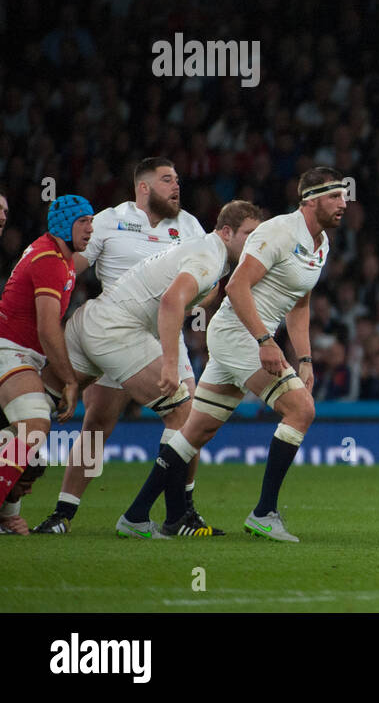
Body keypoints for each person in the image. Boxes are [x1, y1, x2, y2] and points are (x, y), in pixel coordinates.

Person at [117, 168, 347, 542]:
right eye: (335, 196)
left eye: (344, 196)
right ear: (310, 200)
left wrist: (304, 360)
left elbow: (299, 304)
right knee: (301, 410)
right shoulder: (279, 233)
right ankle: (264, 513)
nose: (344, 203)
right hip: (240, 335)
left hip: (243, 338)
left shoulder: (320, 245)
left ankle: (135, 515)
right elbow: (237, 285)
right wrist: (264, 341)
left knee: (196, 430)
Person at [54, 201, 261, 536]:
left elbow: (187, 293)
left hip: (99, 320)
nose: (255, 243)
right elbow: (170, 301)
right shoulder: (202, 253)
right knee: (183, 416)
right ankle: (161, 516)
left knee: (32, 410)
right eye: (249, 235)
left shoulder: (199, 241)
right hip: (121, 333)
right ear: (225, 233)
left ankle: (26, 510)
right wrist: (169, 362)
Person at [34, 157, 208, 534]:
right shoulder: (110, 220)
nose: (176, 187)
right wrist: (48, 317)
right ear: (143, 188)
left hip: (164, 340)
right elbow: (68, 268)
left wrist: (190, 306)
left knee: (191, 420)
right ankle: (64, 513)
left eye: (177, 179)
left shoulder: (190, 226)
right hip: (114, 334)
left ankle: (185, 510)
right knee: (97, 424)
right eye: (166, 180)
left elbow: (207, 285)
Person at [0, 197, 94, 515]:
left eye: (91, 221)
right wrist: (69, 380)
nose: (90, 228)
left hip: (22, 354)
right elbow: (47, 327)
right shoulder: (49, 260)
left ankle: (10, 517)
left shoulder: (59, 256)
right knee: (34, 426)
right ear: (63, 224)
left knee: (23, 438)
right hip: (10, 350)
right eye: (83, 221)